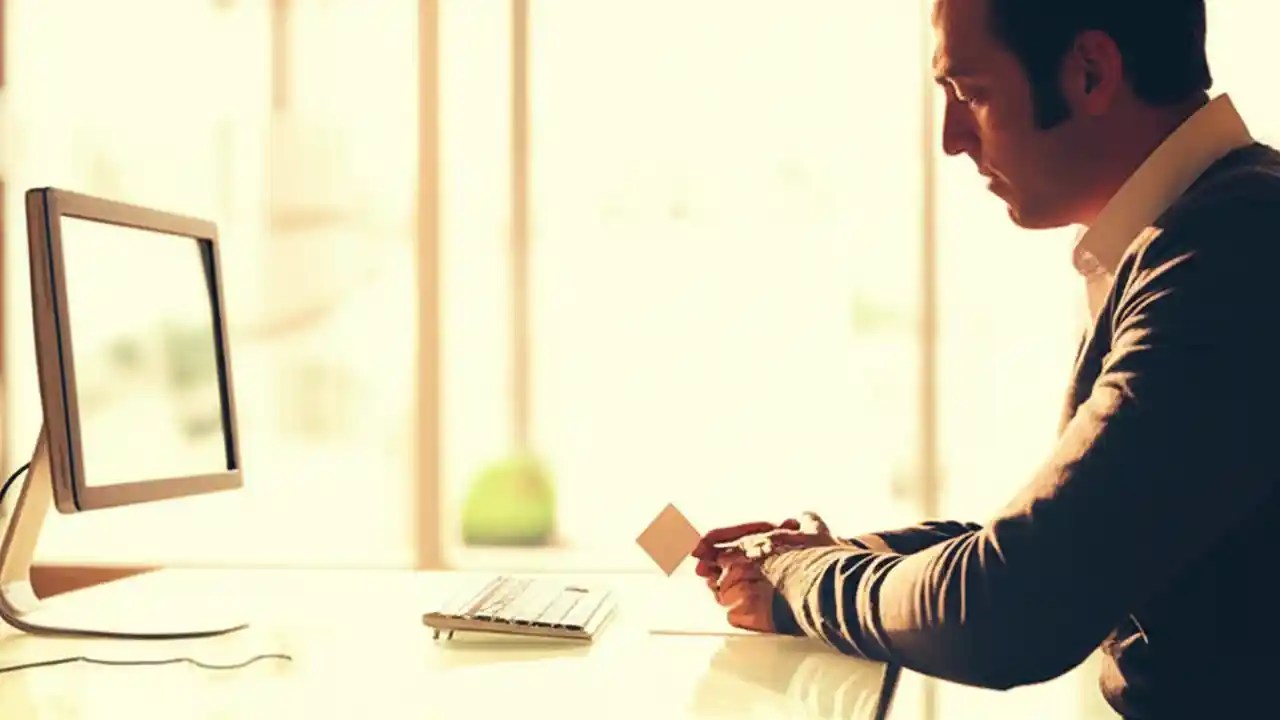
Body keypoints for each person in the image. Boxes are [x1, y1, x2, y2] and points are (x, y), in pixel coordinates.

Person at [691, 1, 1280, 717]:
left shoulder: (1229, 253)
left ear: (1089, 73)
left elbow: (1013, 609)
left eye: (971, 93)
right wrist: (841, 555)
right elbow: (1061, 546)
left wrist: (802, 577)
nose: (951, 139)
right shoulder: (1199, 234)